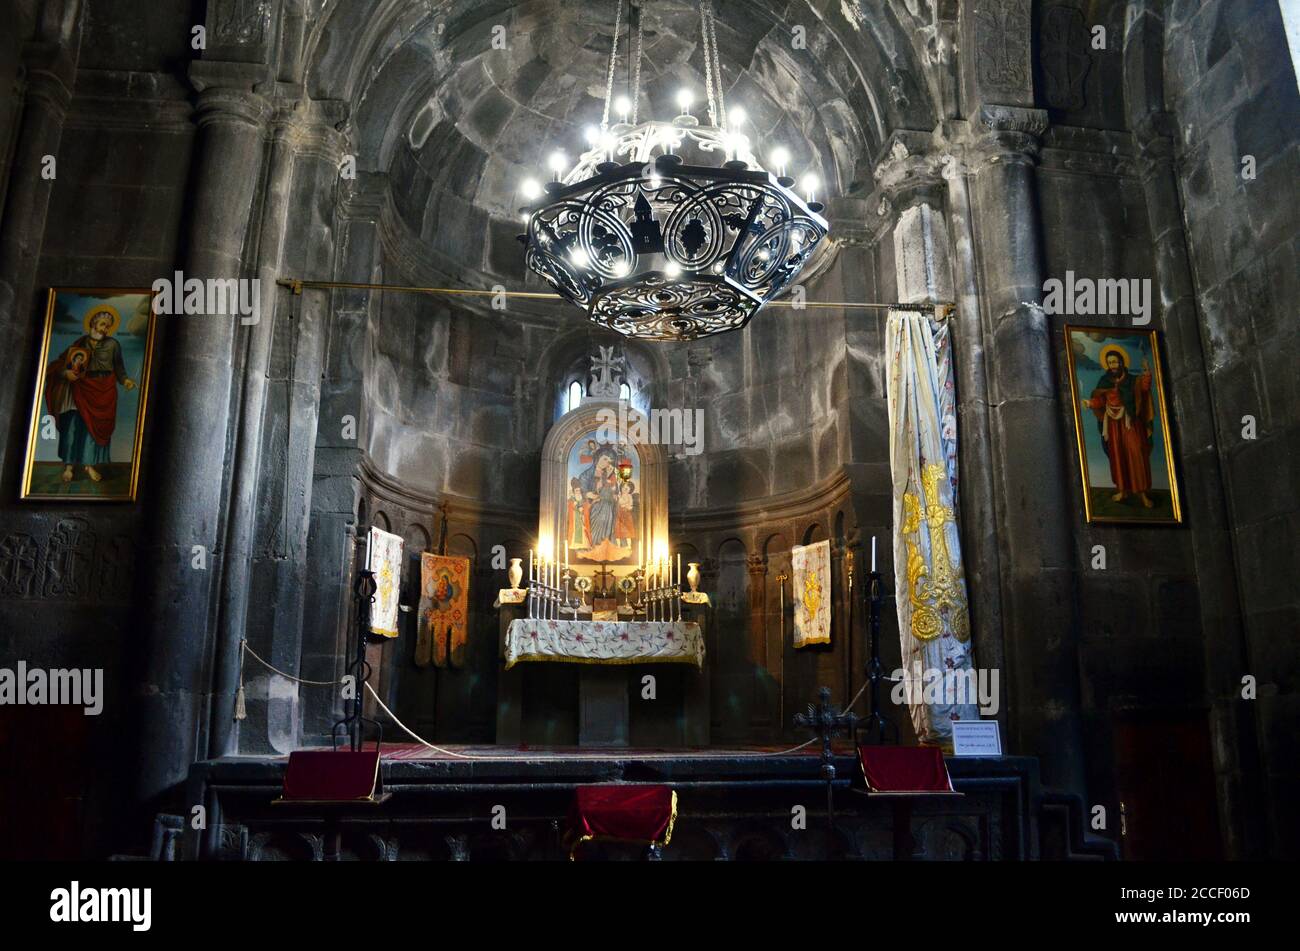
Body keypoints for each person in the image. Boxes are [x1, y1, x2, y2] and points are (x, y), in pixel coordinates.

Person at [43, 305, 136, 484]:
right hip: (78, 390)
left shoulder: (113, 344)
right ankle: (69, 466)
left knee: (91, 432)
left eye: (108, 326)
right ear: (93, 324)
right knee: (71, 427)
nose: (105, 329)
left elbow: (119, 368)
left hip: (103, 389)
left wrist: (125, 380)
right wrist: (65, 373)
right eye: (102, 324)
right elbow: (59, 365)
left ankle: (88, 465)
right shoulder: (79, 343)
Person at [1080, 344, 1155, 508]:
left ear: (1121, 362)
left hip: (1130, 422)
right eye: (1109, 363)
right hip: (1113, 426)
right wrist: (1090, 402)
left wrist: (1147, 372)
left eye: (1115, 362)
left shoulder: (1132, 380)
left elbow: (1144, 387)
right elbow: (1101, 400)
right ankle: (1122, 490)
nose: (1112, 365)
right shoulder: (1105, 381)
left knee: (1137, 455)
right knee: (1118, 457)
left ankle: (1142, 494)